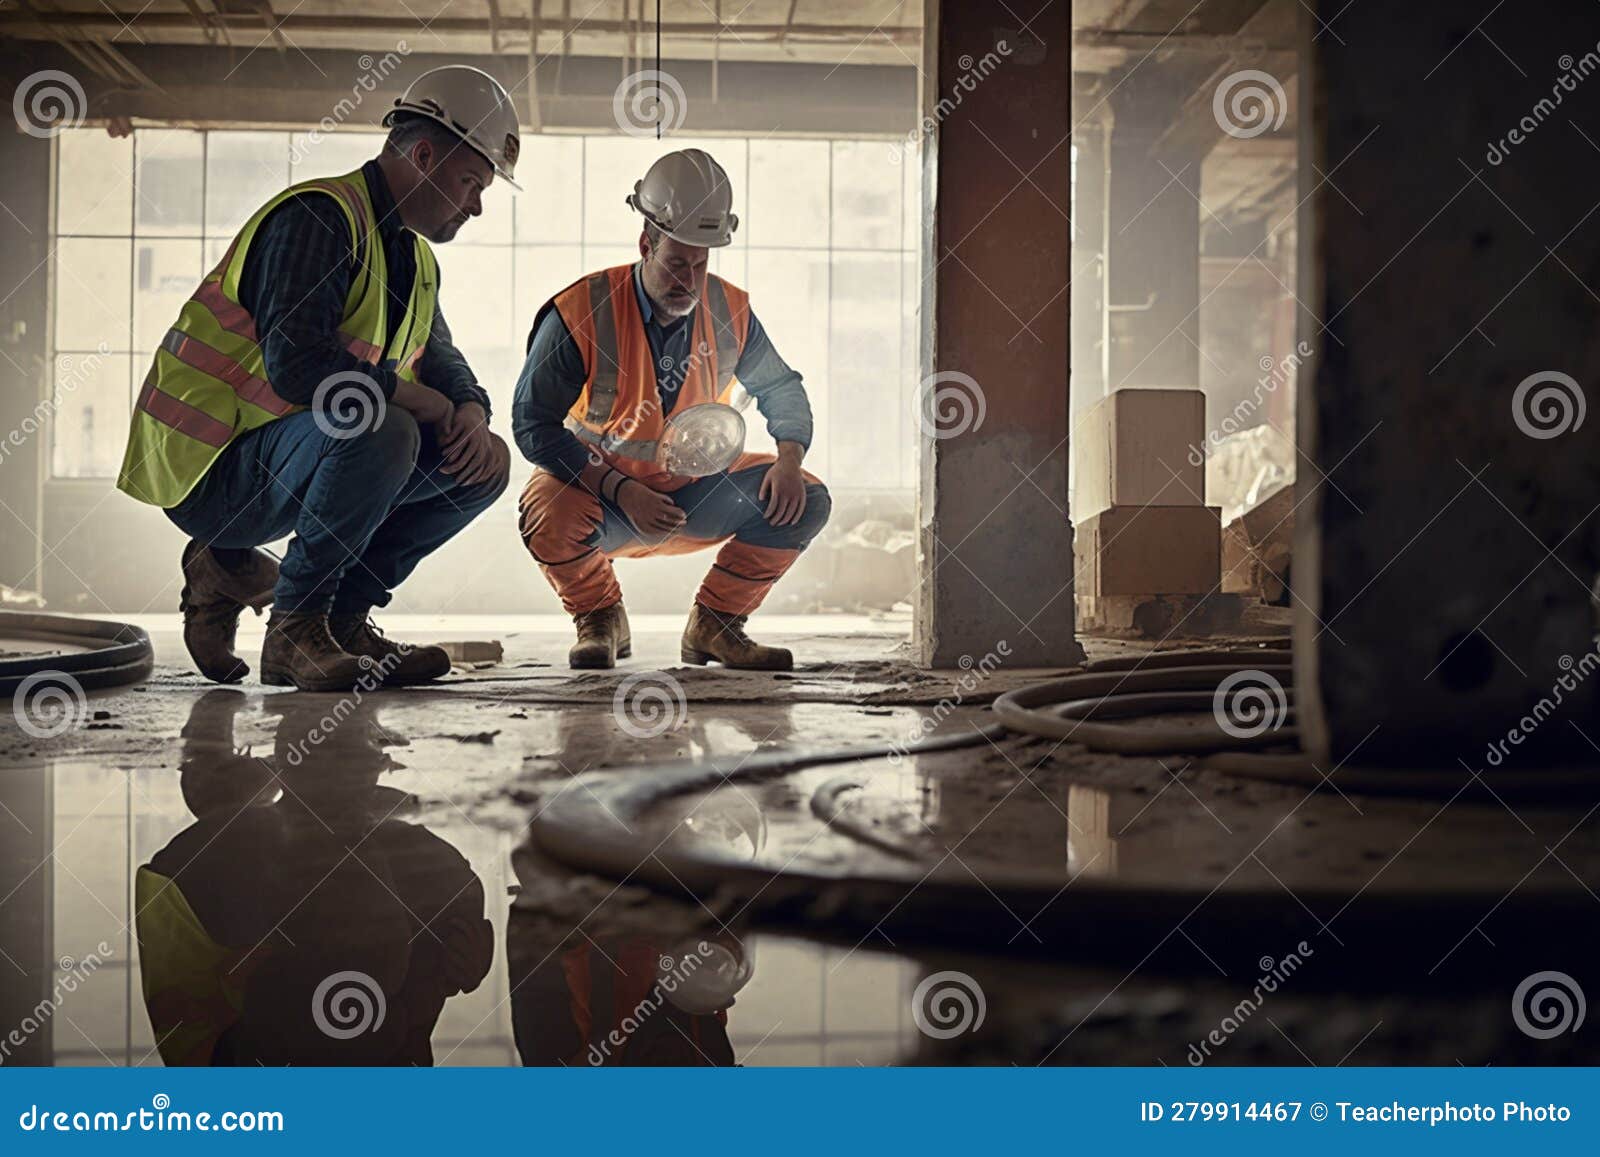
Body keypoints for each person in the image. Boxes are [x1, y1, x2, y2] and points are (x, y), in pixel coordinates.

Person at [116, 65, 519, 691]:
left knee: (482, 463)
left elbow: (438, 353)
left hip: (298, 454)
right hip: (212, 469)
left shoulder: (411, 255)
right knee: (384, 428)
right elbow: (299, 366)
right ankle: (295, 631)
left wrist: (469, 408)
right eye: (471, 182)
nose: (476, 204)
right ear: (422, 155)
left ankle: (342, 620)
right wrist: (421, 402)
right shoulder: (321, 218)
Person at [512, 149, 831, 670]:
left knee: (807, 497)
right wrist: (621, 489)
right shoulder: (582, 310)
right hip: (603, 498)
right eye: (677, 263)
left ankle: (717, 625)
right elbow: (532, 426)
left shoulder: (730, 310)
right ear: (646, 243)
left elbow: (781, 388)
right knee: (545, 514)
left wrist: (790, 457)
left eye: (702, 264)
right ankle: (600, 620)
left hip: (694, 494)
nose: (689, 280)